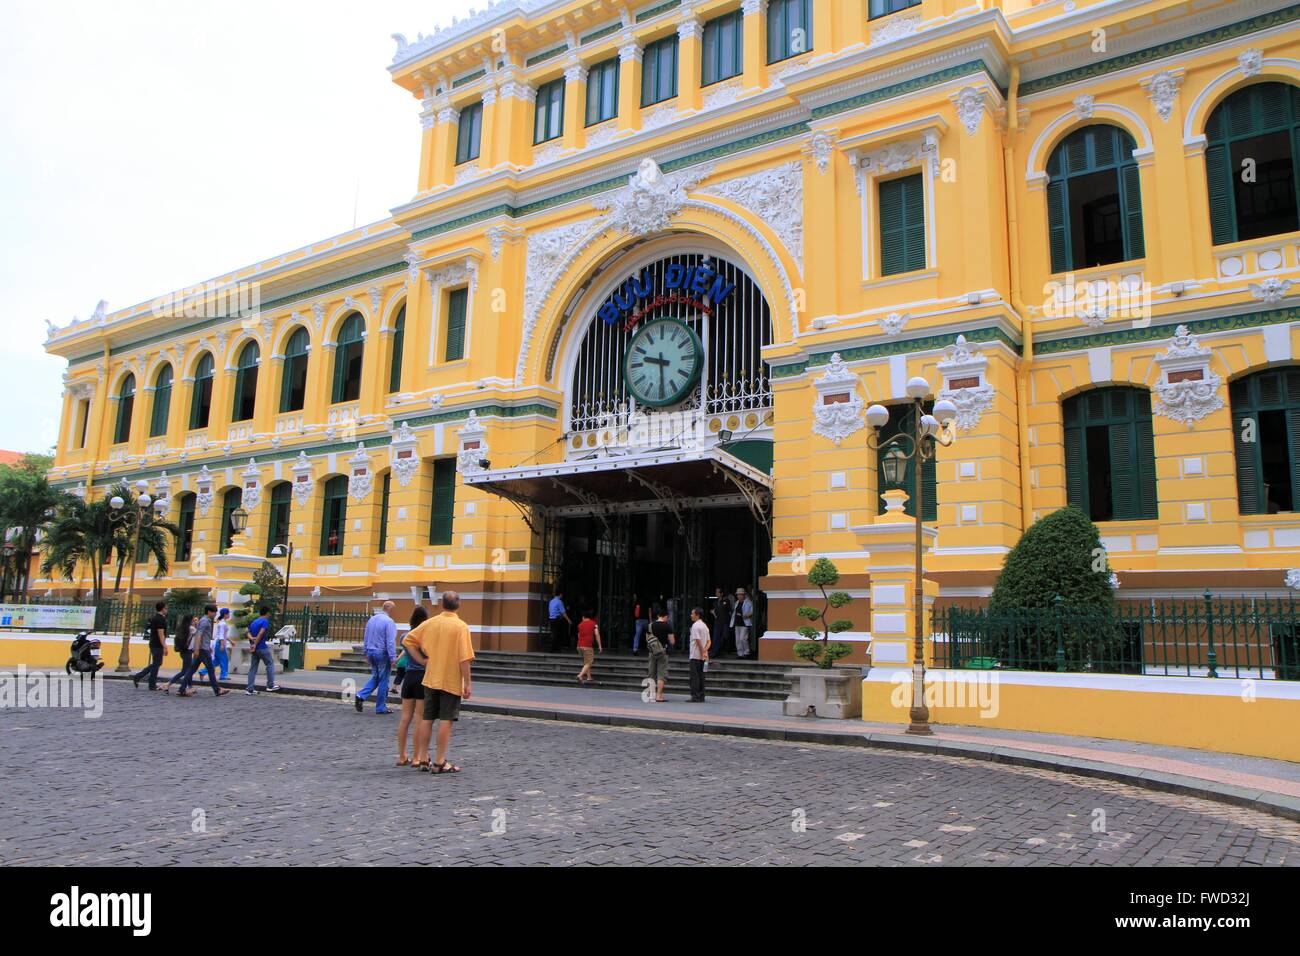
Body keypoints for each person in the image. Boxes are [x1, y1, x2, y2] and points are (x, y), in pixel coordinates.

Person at [402, 591, 475, 774]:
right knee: (446, 719)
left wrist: (421, 660)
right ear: (458, 605)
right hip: (450, 679)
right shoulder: (460, 626)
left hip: (431, 677)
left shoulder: (430, 623)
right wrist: (467, 683)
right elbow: (464, 658)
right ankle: (440, 760)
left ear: (441, 604)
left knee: (427, 718)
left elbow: (408, 640)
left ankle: (424, 757)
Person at [396, 606, 430, 768]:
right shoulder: (426, 637)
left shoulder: (405, 636)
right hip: (422, 677)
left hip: (408, 677)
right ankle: (417, 756)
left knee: (404, 718)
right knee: (419, 718)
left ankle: (402, 755)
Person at [178, 604, 229, 698]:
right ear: (209, 612)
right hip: (202, 649)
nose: (215, 614)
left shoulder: (205, 620)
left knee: (191, 669)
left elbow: (203, 636)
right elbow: (199, 635)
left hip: (203, 648)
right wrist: (197, 649)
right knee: (210, 669)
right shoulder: (205, 621)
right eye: (214, 612)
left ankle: (182, 688)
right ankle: (217, 690)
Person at [356, 601, 398, 715]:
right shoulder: (389, 622)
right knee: (384, 679)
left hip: (371, 651)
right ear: (390, 609)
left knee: (376, 677)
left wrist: (366, 652)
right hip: (382, 653)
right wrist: (393, 658)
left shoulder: (371, 619)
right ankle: (381, 707)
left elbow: (366, 637)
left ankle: (361, 695)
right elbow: (390, 642)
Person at [132, 601, 169, 691]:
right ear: (162, 609)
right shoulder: (160, 619)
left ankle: (140, 677)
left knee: (157, 663)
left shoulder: (154, 618)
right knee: (157, 664)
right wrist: (165, 646)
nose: (167, 610)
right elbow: (161, 634)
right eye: (166, 608)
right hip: (157, 644)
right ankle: (151, 684)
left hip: (153, 643)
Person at [245, 605, 281, 695]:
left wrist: (252, 641)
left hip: (254, 648)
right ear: (267, 613)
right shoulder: (265, 621)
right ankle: (270, 685)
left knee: (253, 668)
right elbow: (261, 632)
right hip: (261, 646)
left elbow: (247, 632)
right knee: (270, 664)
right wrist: (256, 643)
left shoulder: (254, 621)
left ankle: (250, 688)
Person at [646, 606, 674, 703]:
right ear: (665, 616)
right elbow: (672, 641)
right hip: (663, 652)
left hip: (652, 652)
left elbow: (647, 639)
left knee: (651, 673)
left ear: (658, 616)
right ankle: (659, 696)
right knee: (661, 674)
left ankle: (651, 695)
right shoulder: (668, 626)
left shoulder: (650, 625)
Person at [164, 614, 195, 693]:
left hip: (182, 651)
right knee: (185, 671)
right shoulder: (191, 628)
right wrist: (196, 624)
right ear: (190, 620)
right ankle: (168, 684)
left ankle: (190, 687)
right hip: (188, 651)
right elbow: (199, 633)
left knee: (189, 669)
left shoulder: (180, 627)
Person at [688, 607, 711, 702]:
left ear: (697, 615)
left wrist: (702, 651)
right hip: (703, 656)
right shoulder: (705, 626)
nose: (691, 615)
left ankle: (695, 696)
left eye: (692, 614)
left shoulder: (695, 626)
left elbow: (697, 640)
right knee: (701, 676)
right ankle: (701, 695)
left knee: (695, 676)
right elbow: (709, 641)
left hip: (695, 655)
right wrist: (705, 651)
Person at [575, 609, 602, 685]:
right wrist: (599, 645)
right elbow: (597, 634)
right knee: (589, 662)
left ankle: (589, 677)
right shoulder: (594, 624)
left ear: (583, 617)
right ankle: (580, 675)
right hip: (587, 646)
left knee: (586, 662)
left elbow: (578, 635)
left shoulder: (580, 625)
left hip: (579, 646)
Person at [732, 587, 755, 658]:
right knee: (738, 640)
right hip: (737, 623)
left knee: (743, 638)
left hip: (745, 623)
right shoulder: (736, 602)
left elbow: (752, 611)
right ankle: (740, 654)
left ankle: (746, 652)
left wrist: (746, 615)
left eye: (740, 594)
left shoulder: (748, 602)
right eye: (738, 595)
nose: (739, 596)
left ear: (743, 595)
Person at [711, 587, 733, 657]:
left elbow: (729, 610)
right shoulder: (715, 602)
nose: (716, 593)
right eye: (716, 592)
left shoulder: (726, 601)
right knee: (716, 637)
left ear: (721, 593)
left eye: (718, 592)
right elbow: (715, 612)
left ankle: (728, 649)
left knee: (725, 636)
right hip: (718, 622)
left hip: (725, 621)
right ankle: (715, 651)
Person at [211, 608, 232, 680]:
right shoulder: (223, 623)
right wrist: (222, 645)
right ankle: (223, 676)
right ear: (225, 614)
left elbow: (224, 635)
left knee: (216, 661)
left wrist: (231, 641)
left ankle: (203, 671)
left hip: (219, 643)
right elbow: (221, 636)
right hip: (220, 643)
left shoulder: (221, 623)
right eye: (228, 613)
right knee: (224, 660)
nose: (229, 615)